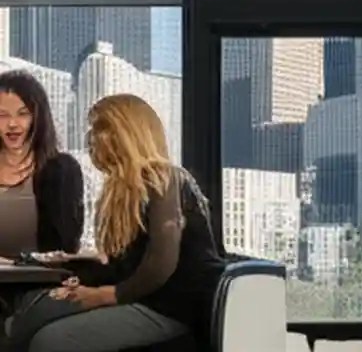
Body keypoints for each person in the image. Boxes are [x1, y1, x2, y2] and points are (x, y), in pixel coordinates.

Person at [3, 94, 226, 352]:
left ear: (125, 133)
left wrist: (104, 296)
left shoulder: (166, 179)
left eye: (99, 129)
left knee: (52, 340)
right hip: (143, 300)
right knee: (36, 308)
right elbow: (125, 266)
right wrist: (82, 277)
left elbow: (160, 264)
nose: (90, 139)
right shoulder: (123, 192)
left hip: (172, 308)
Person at [0, 71, 84, 258]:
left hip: (37, 281)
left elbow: (66, 245)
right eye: (2, 115)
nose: (12, 124)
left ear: (38, 118)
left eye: (22, 114)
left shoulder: (61, 171)